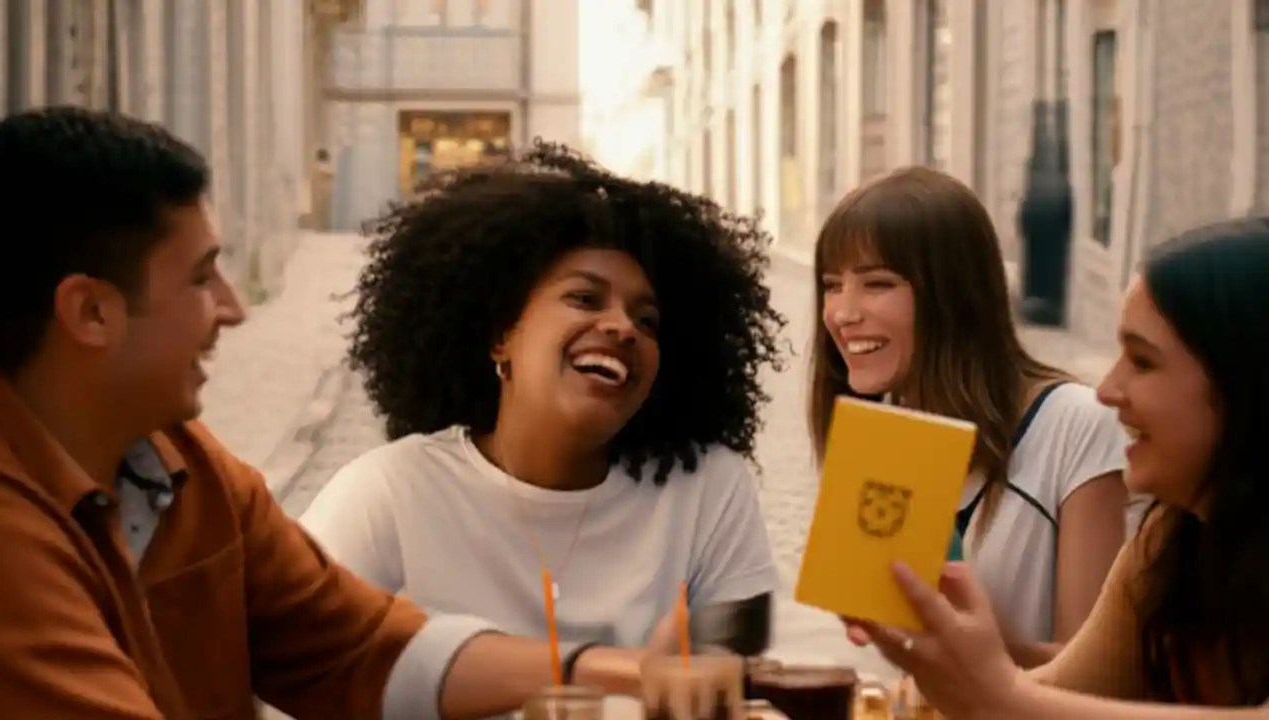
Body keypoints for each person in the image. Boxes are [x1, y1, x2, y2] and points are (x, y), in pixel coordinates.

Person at [0, 106, 665, 720]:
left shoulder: (186, 465)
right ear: (91, 312)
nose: (234, 307)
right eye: (200, 278)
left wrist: (604, 671)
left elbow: (357, 646)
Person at [299, 142, 783, 658]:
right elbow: (294, 662)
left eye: (647, 321)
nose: (623, 327)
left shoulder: (706, 491)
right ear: (501, 336)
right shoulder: (391, 493)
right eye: (584, 298)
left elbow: (735, 675)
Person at [847, 218, 1269, 717]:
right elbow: (1061, 697)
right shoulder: (1169, 542)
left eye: (1143, 361)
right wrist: (950, 655)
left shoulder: (1070, 425)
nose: (1108, 389)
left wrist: (998, 688)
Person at [808, 167, 1130, 666]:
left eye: (876, 283)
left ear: (953, 294)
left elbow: (1098, 670)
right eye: (832, 286)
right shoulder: (881, 431)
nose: (842, 314)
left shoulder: (1077, 425)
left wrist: (965, 643)